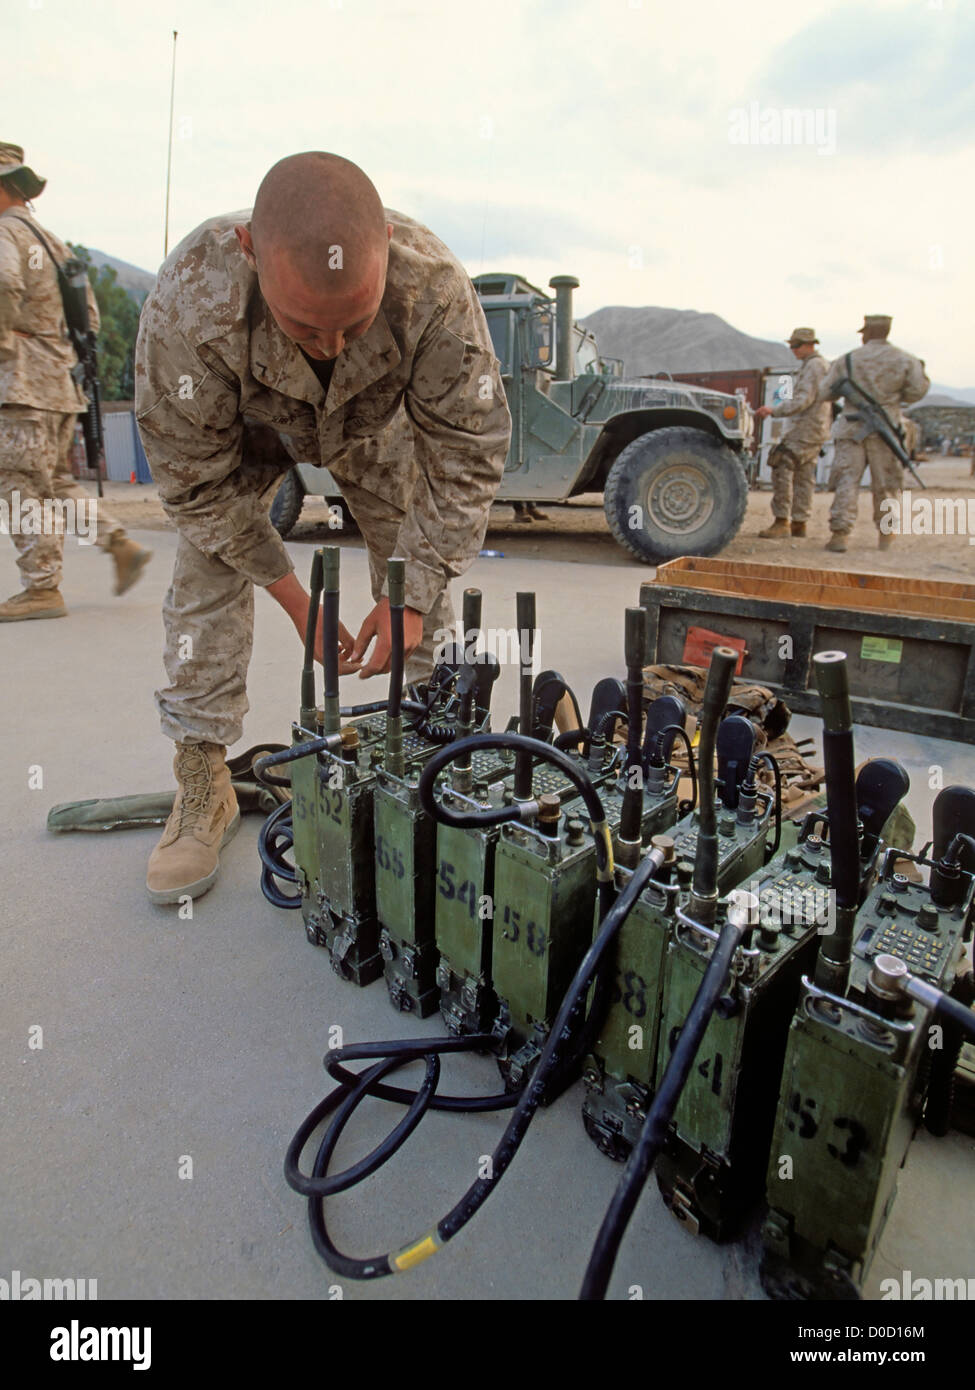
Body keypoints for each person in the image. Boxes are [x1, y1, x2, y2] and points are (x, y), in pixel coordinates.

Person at [135, 152, 511, 906]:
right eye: (306, 323)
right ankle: (202, 774)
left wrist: (408, 593)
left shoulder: (431, 286)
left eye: (356, 323)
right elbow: (196, 486)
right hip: (243, 433)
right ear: (250, 254)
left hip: (371, 427)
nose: (331, 346)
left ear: (385, 254)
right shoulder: (190, 303)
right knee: (209, 567)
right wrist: (295, 601)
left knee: (417, 565)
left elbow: (465, 451)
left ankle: (421, 753)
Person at [0, 142, 152, 620]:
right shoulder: (51, 241)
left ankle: (41, 588)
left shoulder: (5, 233)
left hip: (20, 384)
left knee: (20, 485)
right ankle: (118, 543)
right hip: (59, 386)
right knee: (55, 482)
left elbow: (4, 284)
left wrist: (5, 345)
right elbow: (89, 315)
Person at [818, 315, 929, 552]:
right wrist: (891, 399)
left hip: (851, 429)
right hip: (887, 428)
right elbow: (916, 392)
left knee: (847, 481)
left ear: (866, 333)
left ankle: (840, 534)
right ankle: (886, 536)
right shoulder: (905, 359)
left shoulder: (847, 359)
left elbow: (825, 392)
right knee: (887, 484)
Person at [754, 327, 831, 539]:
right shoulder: (819, 365)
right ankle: (799, 523)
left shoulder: (814, 367)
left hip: (804, 429)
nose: (793, 349)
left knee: (781, 463)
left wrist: (774, 410)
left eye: (796, 345)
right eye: (792, 345)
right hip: (816, 429)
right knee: (805, 475)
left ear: (809, 345)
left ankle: (781, 522)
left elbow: (802, 400)